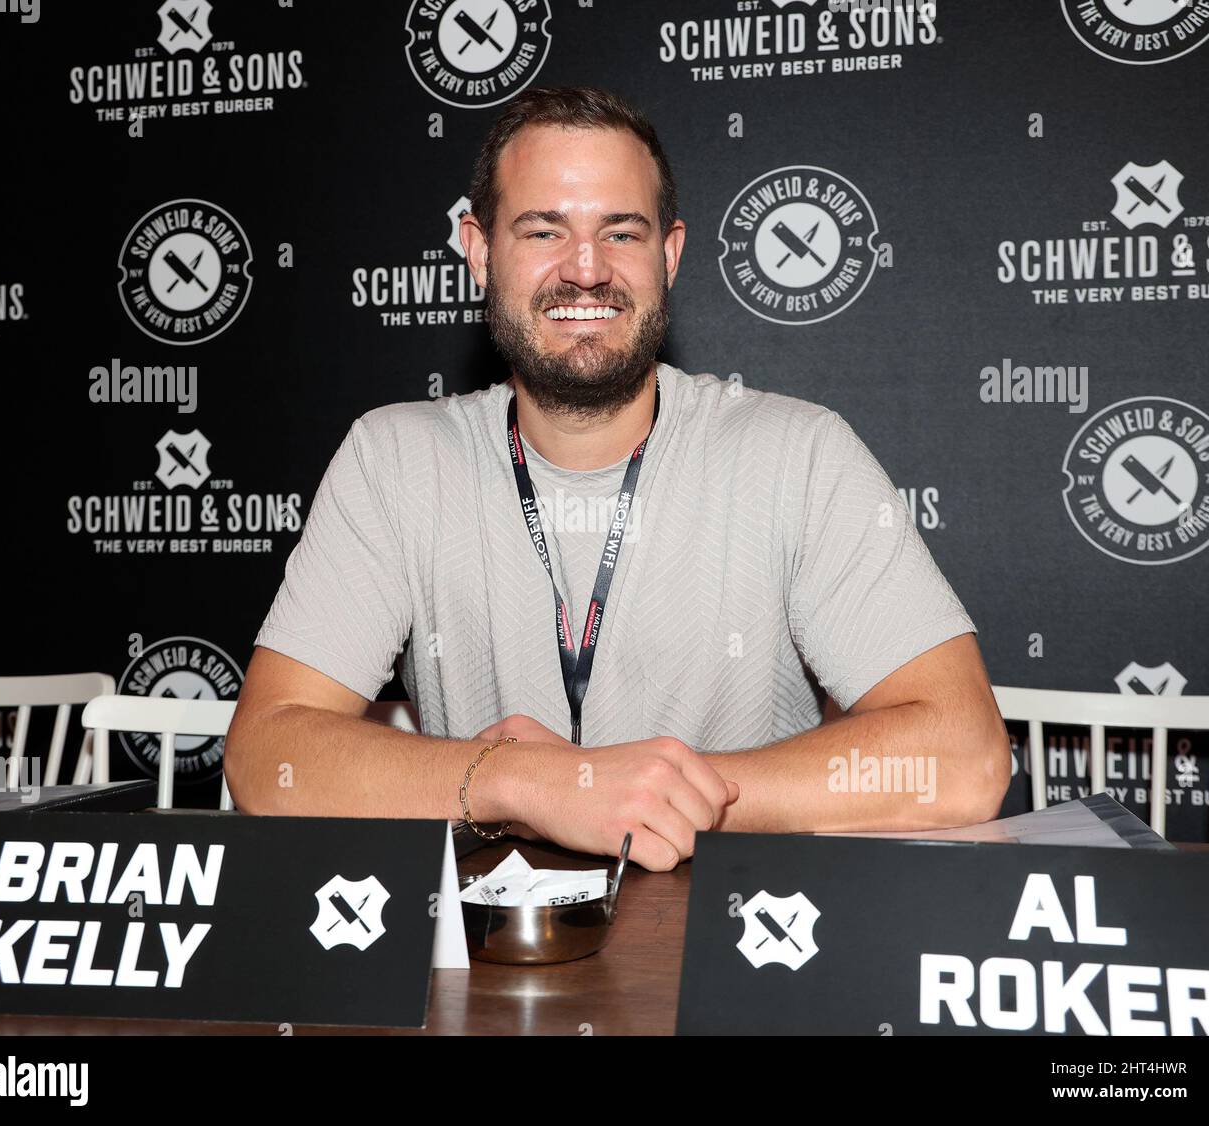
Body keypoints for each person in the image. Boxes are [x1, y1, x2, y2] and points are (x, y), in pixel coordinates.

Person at [224, 86, 1010, 871]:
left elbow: (966, 757)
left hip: (735, 943)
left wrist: (652, 797)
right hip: (483, 951)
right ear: (478, 248)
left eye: (621, 232)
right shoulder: (393, 458)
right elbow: (266, 756)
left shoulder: (797, 453)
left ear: (668, 255)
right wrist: (523, 782)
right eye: (543, 229)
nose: (587, 270)